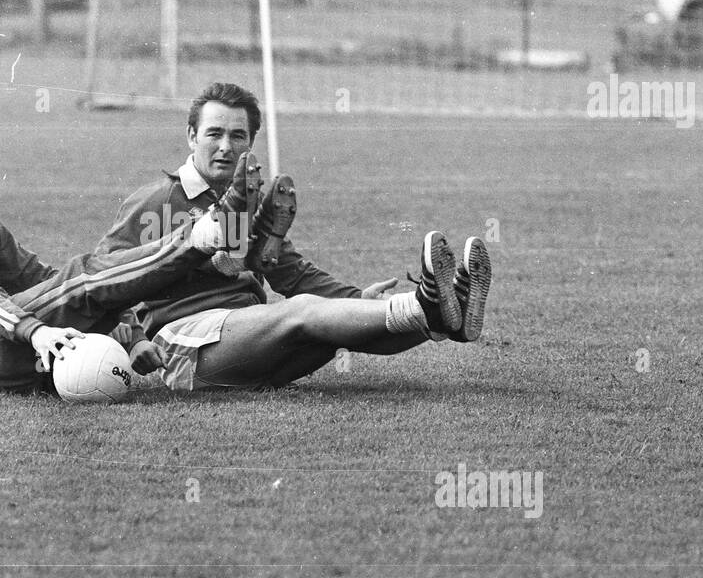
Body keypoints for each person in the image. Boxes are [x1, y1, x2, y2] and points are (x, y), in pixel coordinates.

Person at [96, 81, 493, 391]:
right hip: (184, 348)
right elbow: (103, 280)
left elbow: (291, 271)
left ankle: (445, 318)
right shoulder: (155, 200)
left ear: (250, 142)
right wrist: (132, 341)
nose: (225, 147)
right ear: (190, 136)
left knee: (348, 325)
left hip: (249, 331)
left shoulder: (247, 202)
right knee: (303, 310)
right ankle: (426, 303)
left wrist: (356, 301)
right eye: (213, 133)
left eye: (238, 136)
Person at [0, 100, 264, 394]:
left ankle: (205, 236)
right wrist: (35, 332)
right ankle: (199, 237)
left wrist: (132, 335)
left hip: (2, 339)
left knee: (75, 284)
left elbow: (40, 278)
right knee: (81, 277)